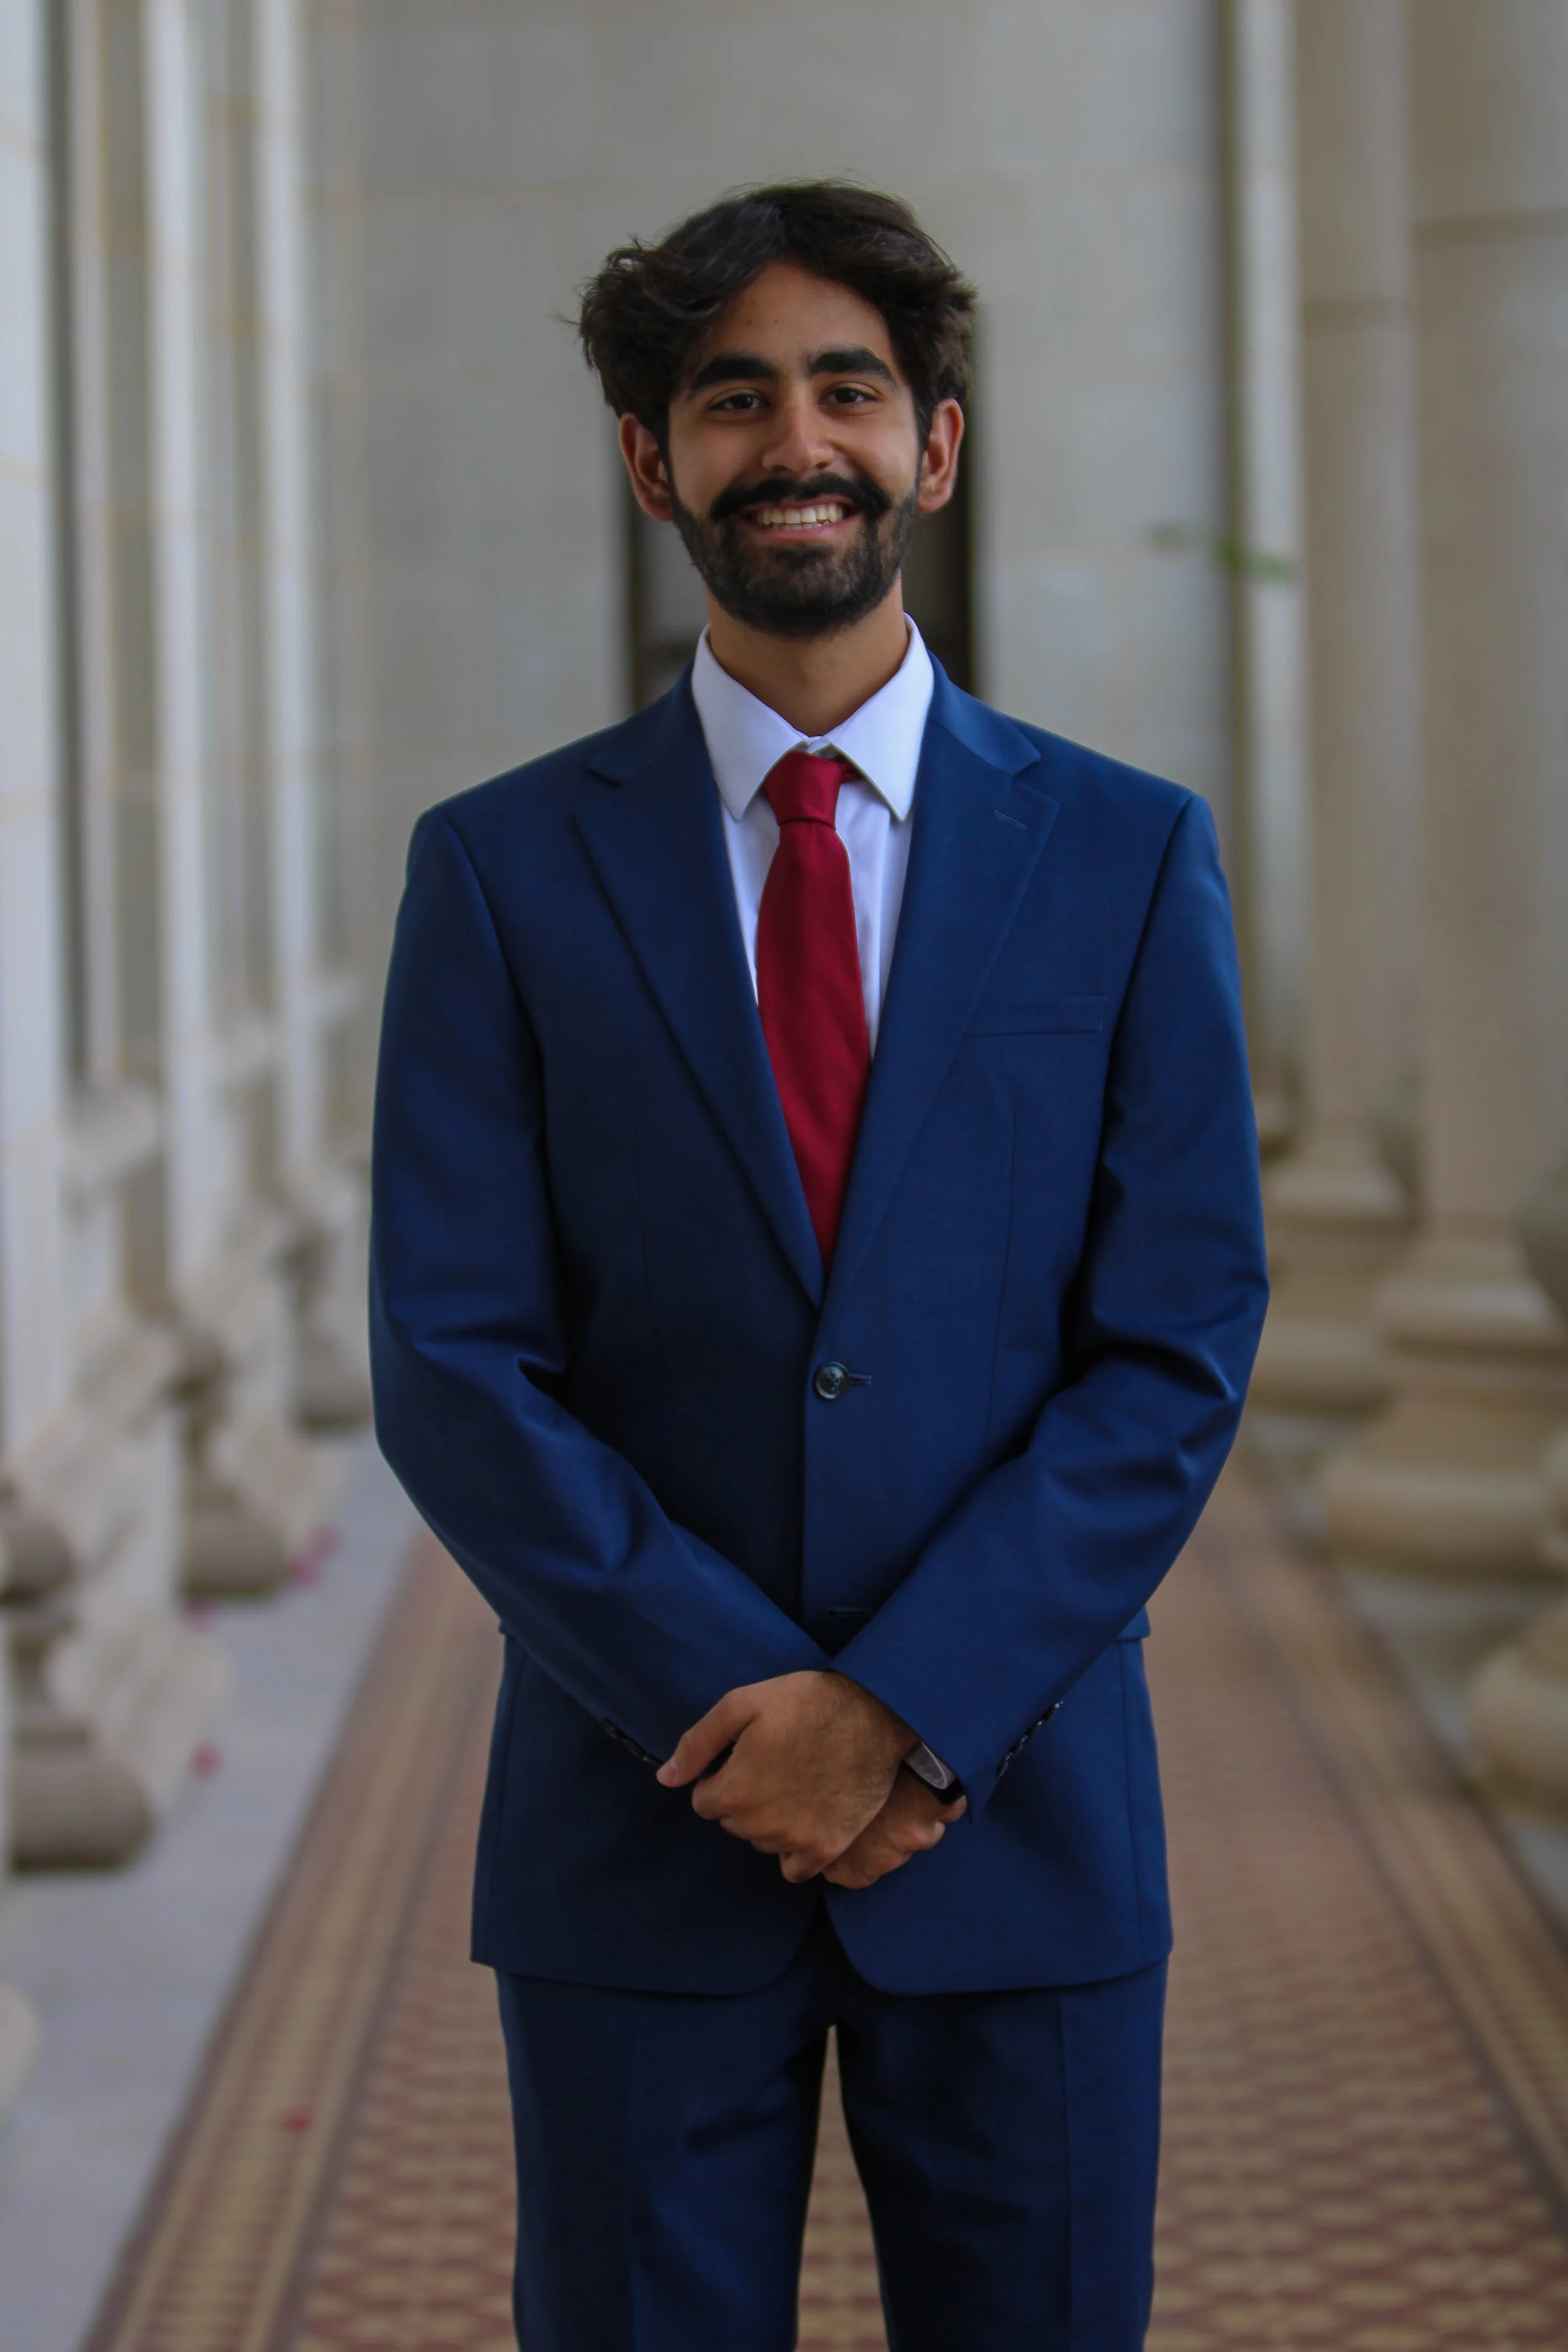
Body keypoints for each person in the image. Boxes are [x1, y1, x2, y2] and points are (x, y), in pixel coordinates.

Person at [371, 179, 1268, 2352]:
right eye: (734, 395)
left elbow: (1173, 1343)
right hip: (638, 1829)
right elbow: (454, 1361)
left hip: (1022, 1820)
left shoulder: (1128, 855)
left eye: (848, 390)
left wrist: (902, 1713)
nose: (799, 441)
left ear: (931, 447)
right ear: (649, 457)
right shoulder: (496, 871)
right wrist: (737, 1713)